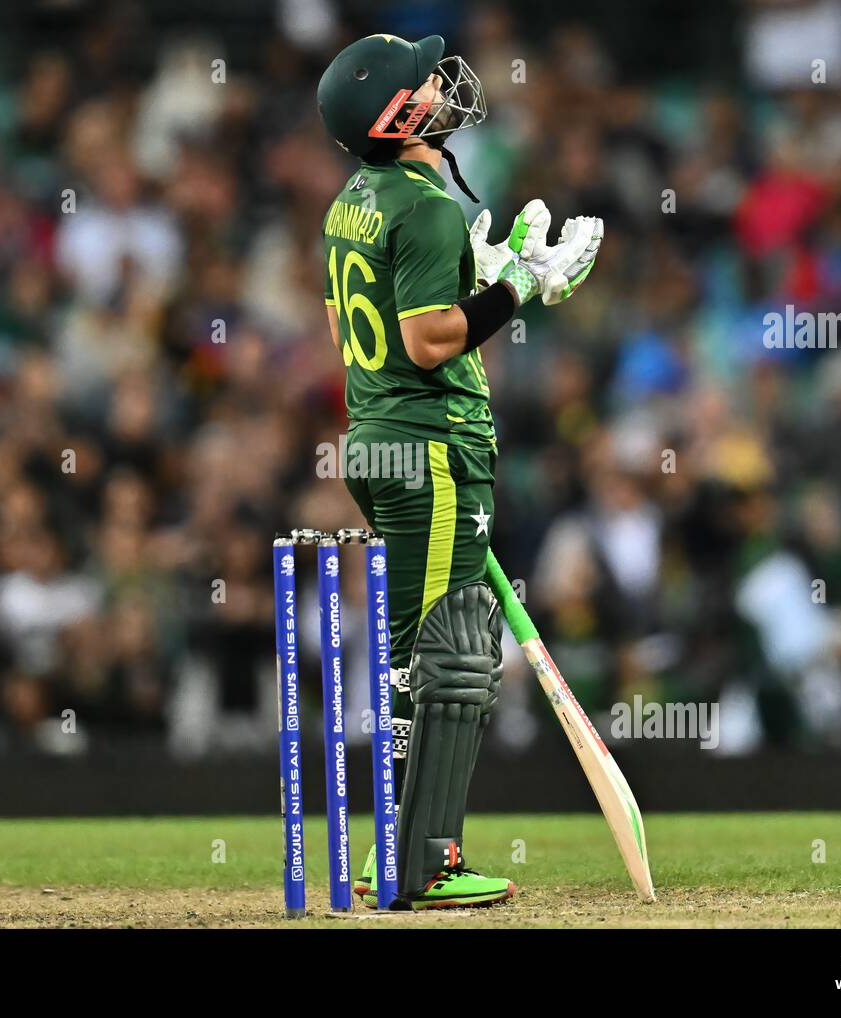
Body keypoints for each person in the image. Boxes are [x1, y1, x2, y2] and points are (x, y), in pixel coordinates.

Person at [316, 33, 604, 909]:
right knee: (446, 658)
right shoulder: (425, 203)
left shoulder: (352, 203)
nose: (443, 88)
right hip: (433, 446)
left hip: (379, 439)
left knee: (430, 651)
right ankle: (423, 863)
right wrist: (513, 287)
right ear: (397, 116)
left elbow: (355, 330)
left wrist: (478, 270)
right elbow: (429, 337)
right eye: (424, 84)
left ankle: (392, 858)